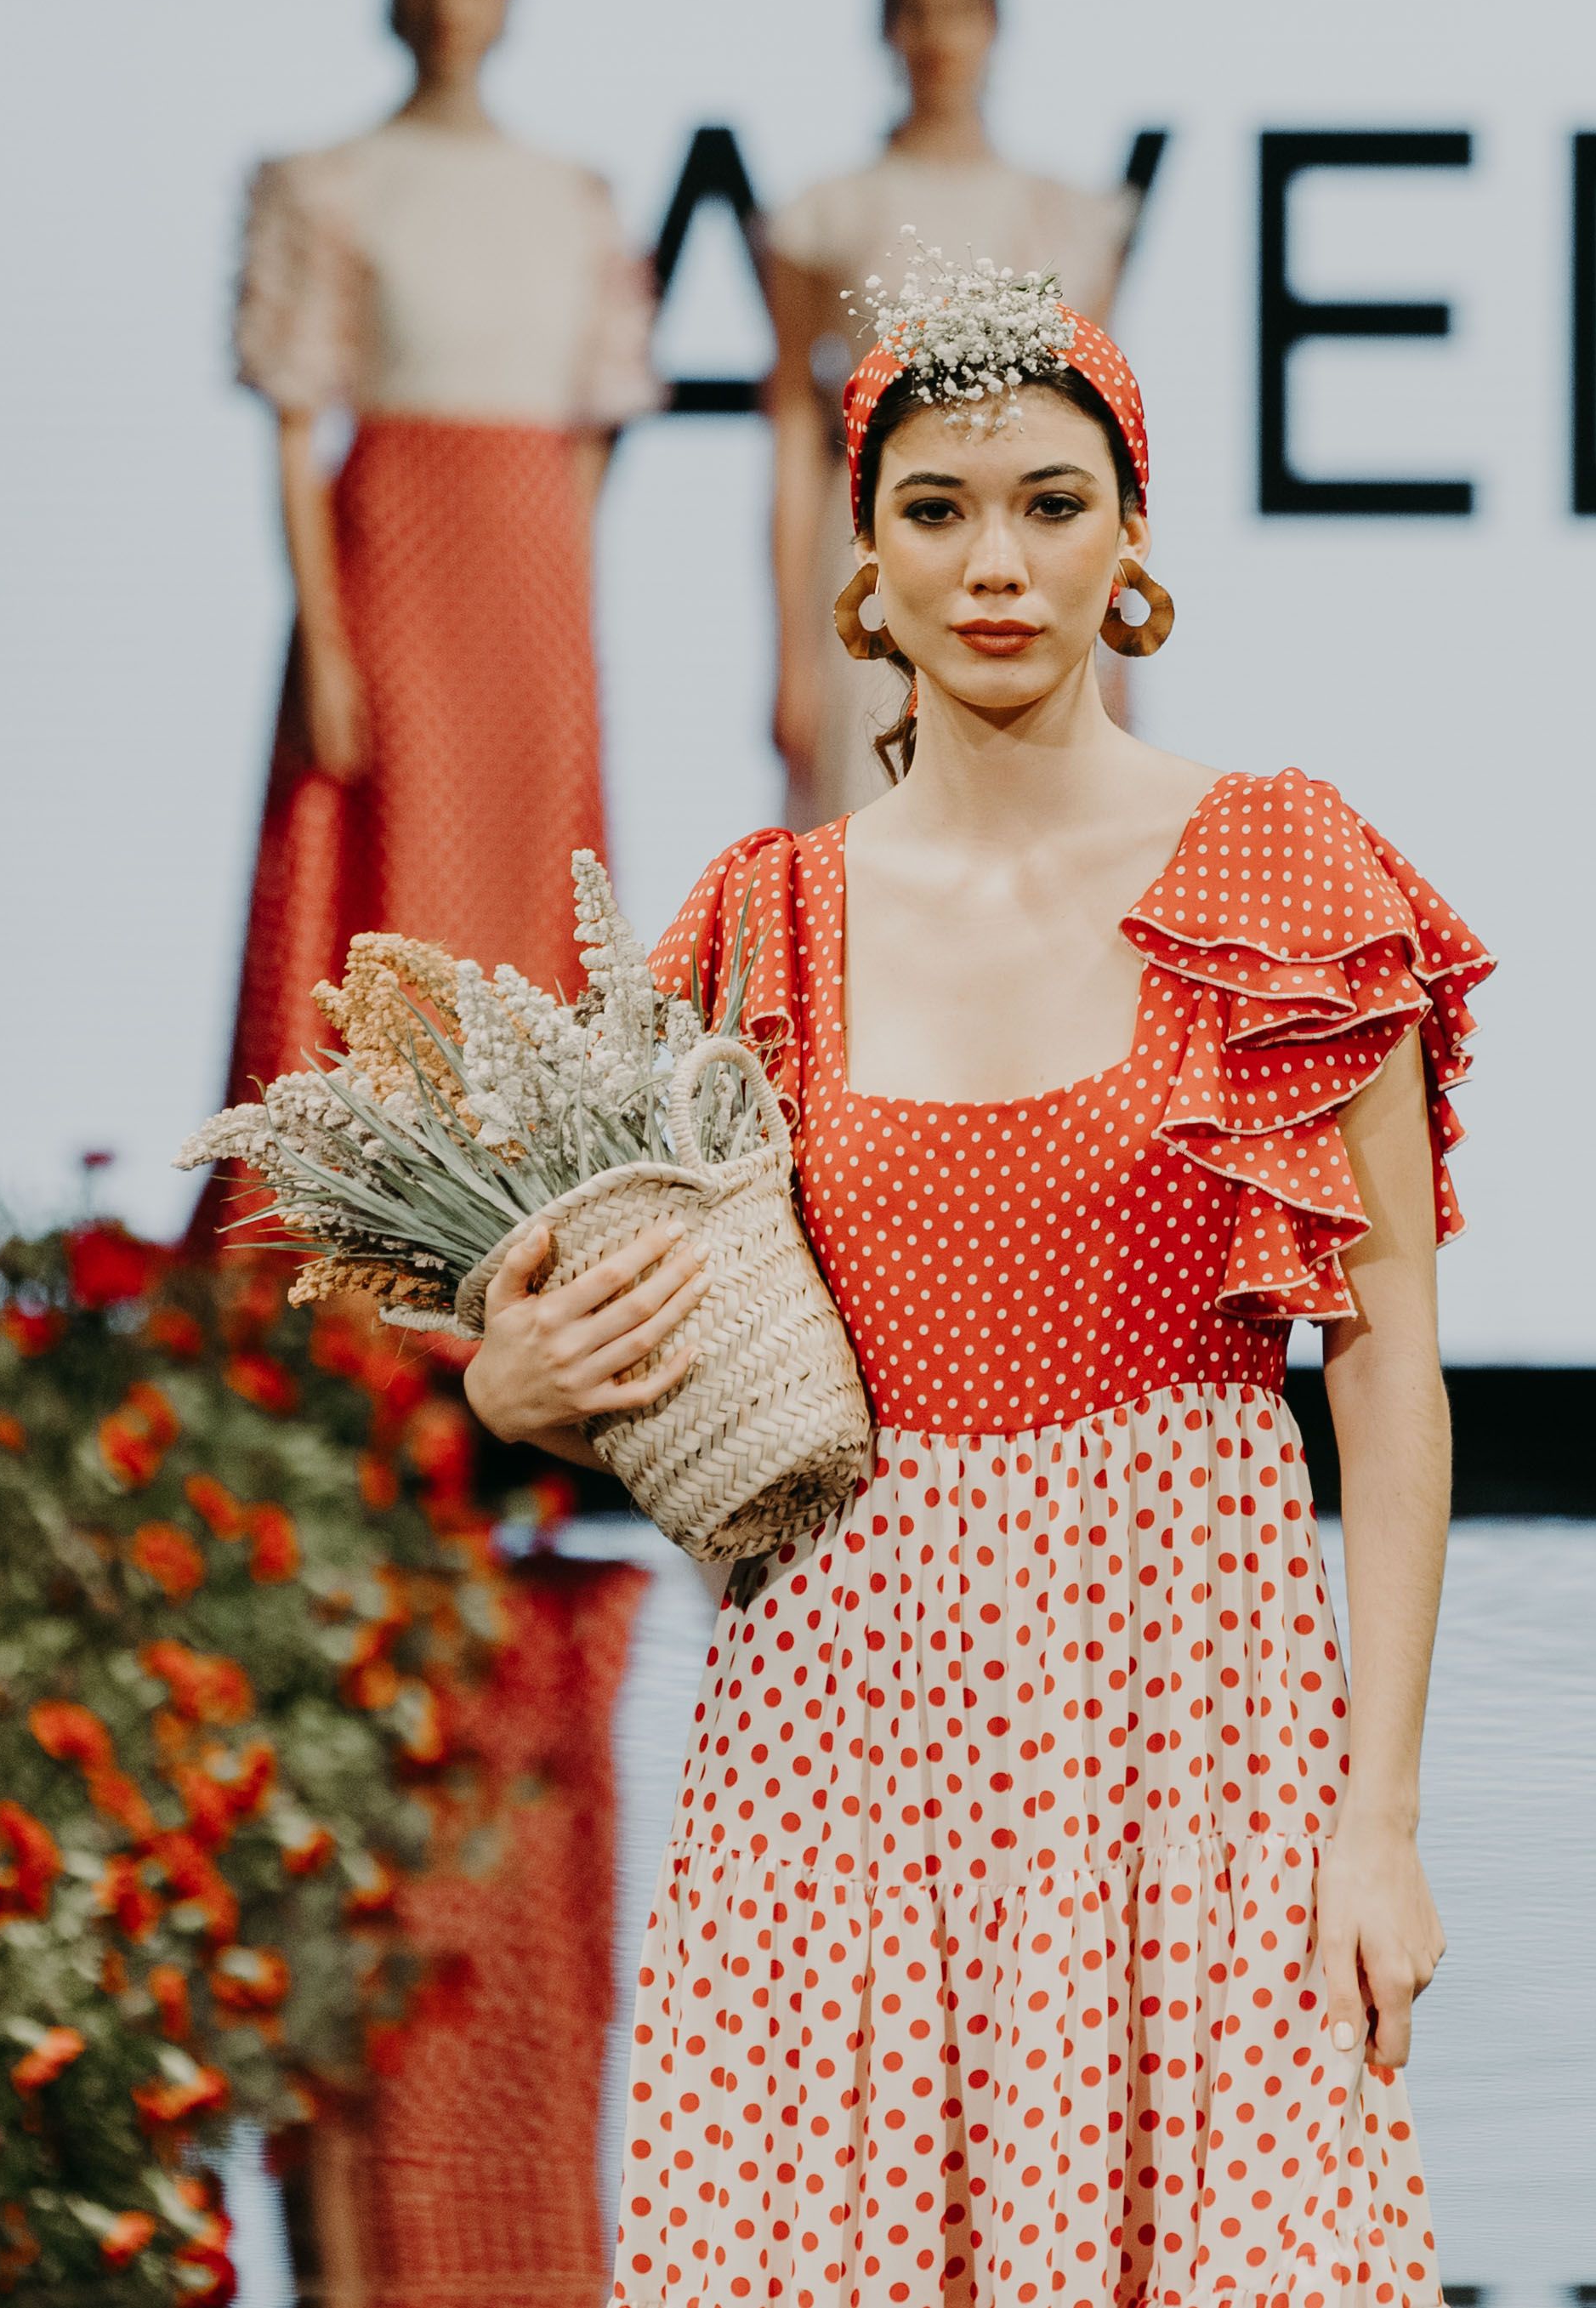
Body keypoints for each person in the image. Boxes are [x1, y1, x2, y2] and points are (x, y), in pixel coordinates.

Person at [463, 253, 1480, 2301]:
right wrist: (514, 1380)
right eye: (936, 506)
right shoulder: (765, 924)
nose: (995, 561)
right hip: (844, 1714)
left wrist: (1379, 1815)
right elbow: (564, 1325)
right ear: (864, 554)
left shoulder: (1285, 877)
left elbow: (1387, 1381)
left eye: (1049, 501)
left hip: (1193, 1719)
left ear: (1132, 538)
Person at [213, 0, 662, 1178]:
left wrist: (557, 578)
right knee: (386, 889)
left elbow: (591, 434)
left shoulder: (572, 198)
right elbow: (297, 434)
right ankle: (363, 1259)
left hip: (527, 578)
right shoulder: (331, 181)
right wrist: (327, 634)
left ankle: (525, 1227)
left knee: (530, 892)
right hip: (396, 557)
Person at [758, 0, 1139, 826]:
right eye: (916, 10)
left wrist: (1120, 622)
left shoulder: (1062, 217)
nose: (939, 36)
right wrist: (790, 653)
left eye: (962, 8)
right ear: (886, 26)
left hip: (1035, 571)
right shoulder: (831, 215)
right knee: (871, 831)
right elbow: (796, 438)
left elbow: (1107, 454)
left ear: (995, 23)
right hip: (878, 574)